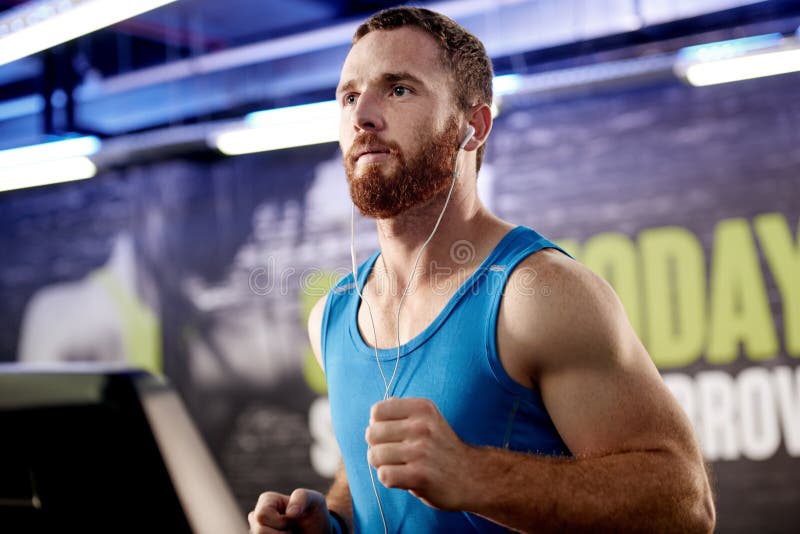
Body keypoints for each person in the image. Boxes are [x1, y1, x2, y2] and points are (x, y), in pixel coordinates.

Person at [249, 7, 715, 533]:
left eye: (398, 89)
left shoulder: (537, 293)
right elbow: (378, 476)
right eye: (350, 97)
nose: (363, 116)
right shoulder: (333, 316)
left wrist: (476, 475)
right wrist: (331, 521)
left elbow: (684, 504)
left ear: (473, 126)